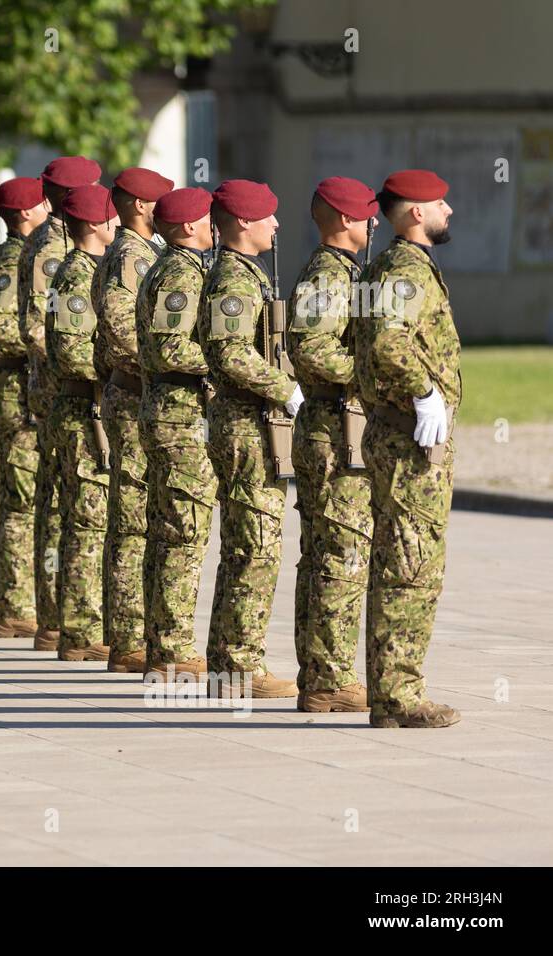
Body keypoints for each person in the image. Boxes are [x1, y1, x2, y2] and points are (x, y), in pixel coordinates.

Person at [353, 169, 461, 729]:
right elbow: (389, 343)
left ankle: (392, 693)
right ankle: (397, 697)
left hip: (399, 432)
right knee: (410, 564)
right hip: (407, 437)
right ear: (415, 211)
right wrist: (424, 394)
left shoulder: (390, 266)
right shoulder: (402, 270)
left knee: (403, 558)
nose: (450, 212)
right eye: (441, 204)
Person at [199, 180, 301, 698]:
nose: (277, 225)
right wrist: (288, 389)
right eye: (268, 216)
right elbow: (228, 352)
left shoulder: (241, 274)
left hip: (246, 423)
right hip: (245, 427)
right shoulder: (234, 281)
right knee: (254, 544)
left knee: (248, 543)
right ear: (242, 223)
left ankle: (229, 663)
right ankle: (239, 666)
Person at [289, 176, 379, 713]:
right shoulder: (329, 275)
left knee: (326, 551)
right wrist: (368, 372)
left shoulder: (345, 273)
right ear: (345, 220)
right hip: (333, 424)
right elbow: (313, 350)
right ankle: (330, 678)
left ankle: (321, 674)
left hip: (335, 421)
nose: (374, 223)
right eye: (367, 214)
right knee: (341, 551)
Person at [17, 156, 101, 653]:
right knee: (72, 507)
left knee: (62, 505)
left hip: (59, 387)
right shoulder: (55, 247)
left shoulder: (52, 241)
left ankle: (56, 617)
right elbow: (39, 327)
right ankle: (66, 619)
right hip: (62, 390)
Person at [135, 187, 217, 680]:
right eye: (208, 218)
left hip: (171, 411)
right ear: (189, 226)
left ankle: (162, 646)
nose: (214, 225)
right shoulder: (181, 272)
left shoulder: (169, 267)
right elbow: (170, 347)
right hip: (178, 413)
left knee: (169, 530)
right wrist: (223, 360)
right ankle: (173, 651)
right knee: (183, 533)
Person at [93, 167, 173, 673]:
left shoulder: (144, 254)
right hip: (133, 394)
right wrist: (163, 369)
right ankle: (129, 638)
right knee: (134, 519)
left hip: (137, 392)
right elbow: (122, 333)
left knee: (140, 516)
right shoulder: (129, 257)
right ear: (142, 206)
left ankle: (133, 634)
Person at [44, 183, 118, 660]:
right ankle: (80, 631)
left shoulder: (87, 270)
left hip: (85, 408)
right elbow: (71, 352)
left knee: (87, 519)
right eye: (110, 217)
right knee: (87, 523)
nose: (118, 224)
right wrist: (113, 368)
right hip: (79, 411)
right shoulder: (75, 276)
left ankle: (83, 627)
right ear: (93, 225)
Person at [0, 176, 49, 640]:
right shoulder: (12, 259)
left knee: (28, 500)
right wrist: (42, 343)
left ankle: (22, 603)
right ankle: (12, 606)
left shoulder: (32, 256)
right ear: (25, 214)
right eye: (44, 203)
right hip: (16, 394)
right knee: (21, 503)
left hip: (26, 393)